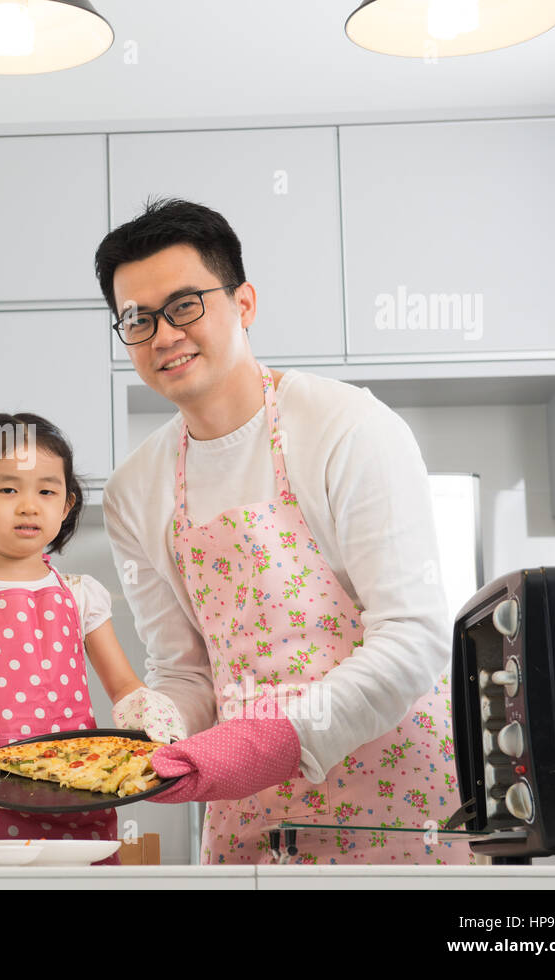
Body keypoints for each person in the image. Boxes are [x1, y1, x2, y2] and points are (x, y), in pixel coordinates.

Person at [97, 199, 474, 864]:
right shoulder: (133, 491)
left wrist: (269, 743)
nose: (162, 335)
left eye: (184, 305)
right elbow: (184, 671)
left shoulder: (347, 426)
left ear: (243, 304)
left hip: (396, 810)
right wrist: (157, 727)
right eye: (137, 319)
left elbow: (413, 638)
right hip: (252, 820)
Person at [0, 412, 184, 846]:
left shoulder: (83, 595)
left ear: (66, 505)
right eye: (7, 489)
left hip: (80, 790)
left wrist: (149, 713)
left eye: (46, 490)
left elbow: (123, 684)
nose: (28, 505)